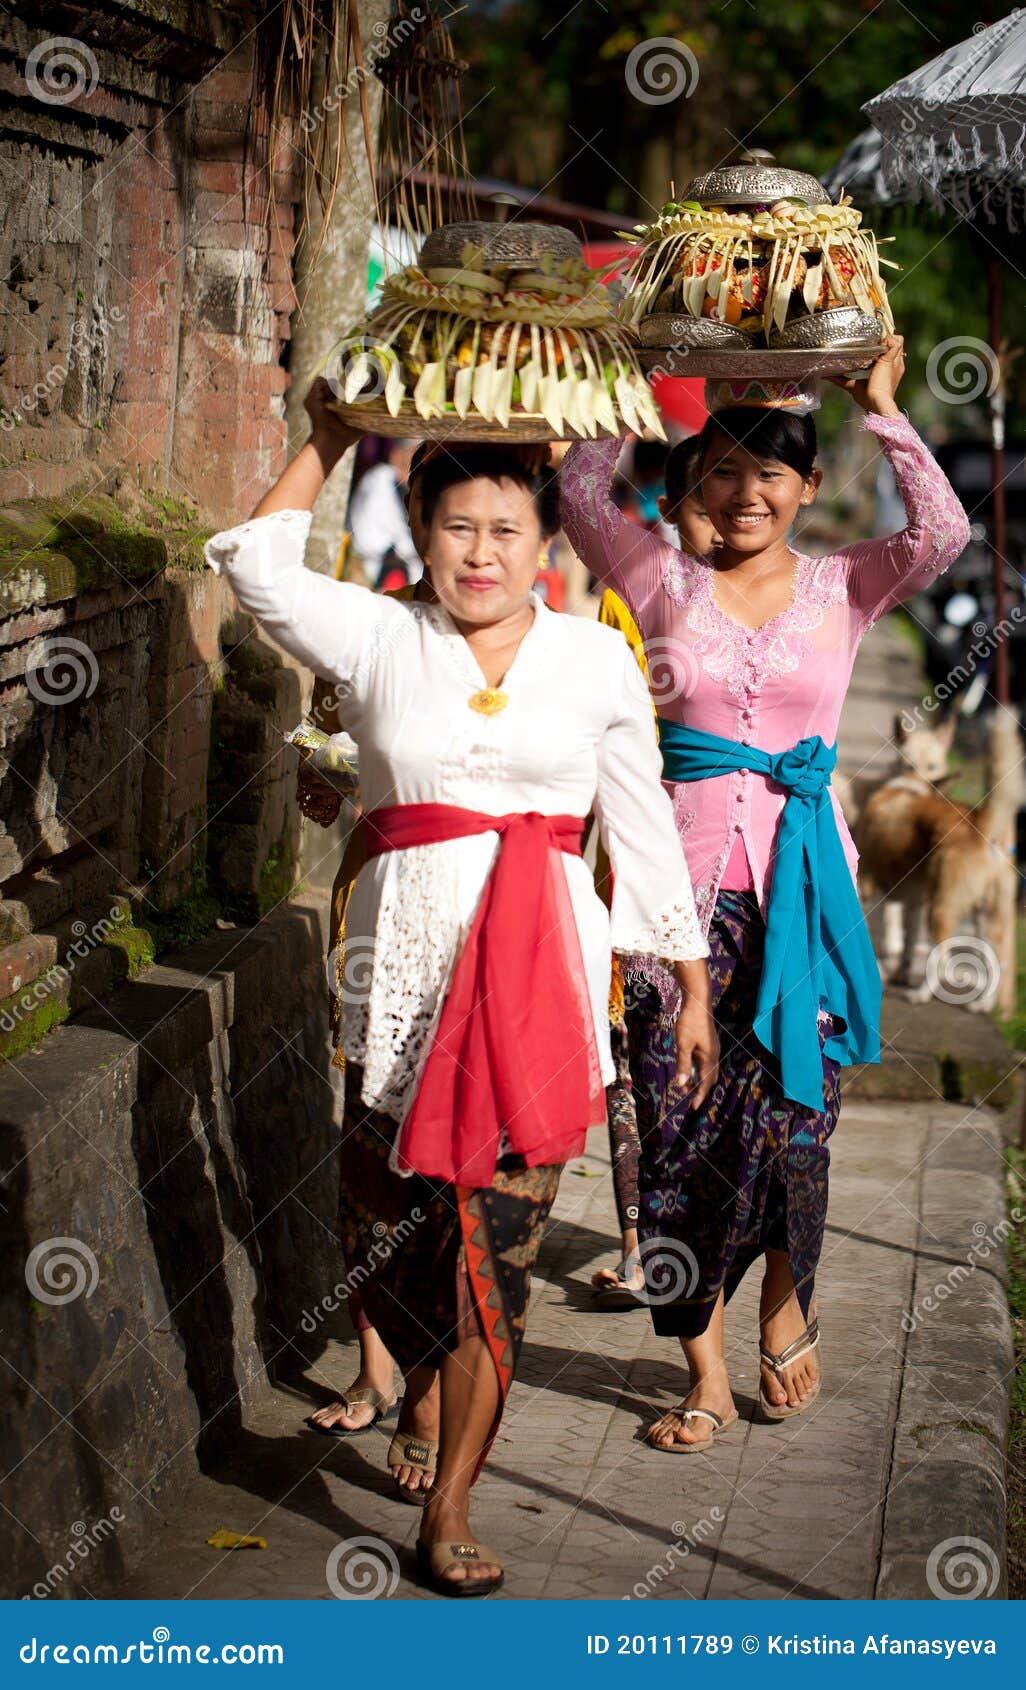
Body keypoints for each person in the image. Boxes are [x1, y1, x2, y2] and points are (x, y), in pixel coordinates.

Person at [205, 378, 716, 1592]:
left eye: (505, 531)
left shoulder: (597, 658)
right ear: (423, 534)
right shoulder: (380, 636)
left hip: (541, 986)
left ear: (545, 543)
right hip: (395, 983)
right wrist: (329, 437)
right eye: (456, 528)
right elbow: (256, 567)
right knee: (389, 1235)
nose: (481, 553)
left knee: (498, 1252)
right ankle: (417, 1382)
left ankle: (450, 1504)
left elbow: (642, 829)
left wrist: (689, 983)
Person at [561, 338, 971, 1450]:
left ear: (809, 484)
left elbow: (944, 534)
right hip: (673, 900)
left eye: (772, 472)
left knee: (801, 1116)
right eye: (726, 469)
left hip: (805, 892)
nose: (748, 492)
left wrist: (883, 407)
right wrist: (636, 372)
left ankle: (785, 1303)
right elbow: (581, 492)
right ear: (696, 478)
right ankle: (701, 1369)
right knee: (674, 1125)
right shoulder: (657, 575)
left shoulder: (846, 584)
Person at [591, 437, 721, 1308]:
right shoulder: (629, 597)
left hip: (741, 864)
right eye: (705, 501)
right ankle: (642, 1243)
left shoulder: (778, 598)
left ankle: (715, 1237)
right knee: (640, 1050)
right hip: (643, 853)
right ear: (669, 509)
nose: (726, 516)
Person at [346, 436, 421, 587]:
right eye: (413, 456)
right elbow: (366, 538)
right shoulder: (380, 478)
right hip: (371, 570)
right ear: (396, 456)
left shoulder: (421, 490)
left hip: (412, 575)